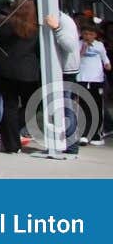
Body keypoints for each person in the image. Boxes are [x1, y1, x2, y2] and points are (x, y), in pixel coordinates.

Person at [0, 0, 40, 154]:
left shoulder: (1, 23)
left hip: (5, 70)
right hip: (27, 71)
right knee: (33, 104)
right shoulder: (35, 27)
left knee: (9, 105)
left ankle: (11, 142)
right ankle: (9, 133)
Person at [43, 9, 83, 156]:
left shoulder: (64, 22)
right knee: (63, 106)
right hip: (63, 69)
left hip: (66, 70)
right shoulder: (63, 19)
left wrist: (57, 28)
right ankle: (64, 143)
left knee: (66, 107)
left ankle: (71, 145)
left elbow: (69, 46)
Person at [78, 24, 108, 145]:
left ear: (95, 35)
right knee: (84, 105)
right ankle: (84, 133)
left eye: (91, 34)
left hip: (96, 80)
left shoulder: (99, 45)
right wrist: (83, 48)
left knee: (97, 106)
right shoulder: (79, 44)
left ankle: (96, 135)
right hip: (83, 78)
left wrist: (107, 64)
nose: (88, 36)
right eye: (85, 34)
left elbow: (105, 59)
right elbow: (76, 58)